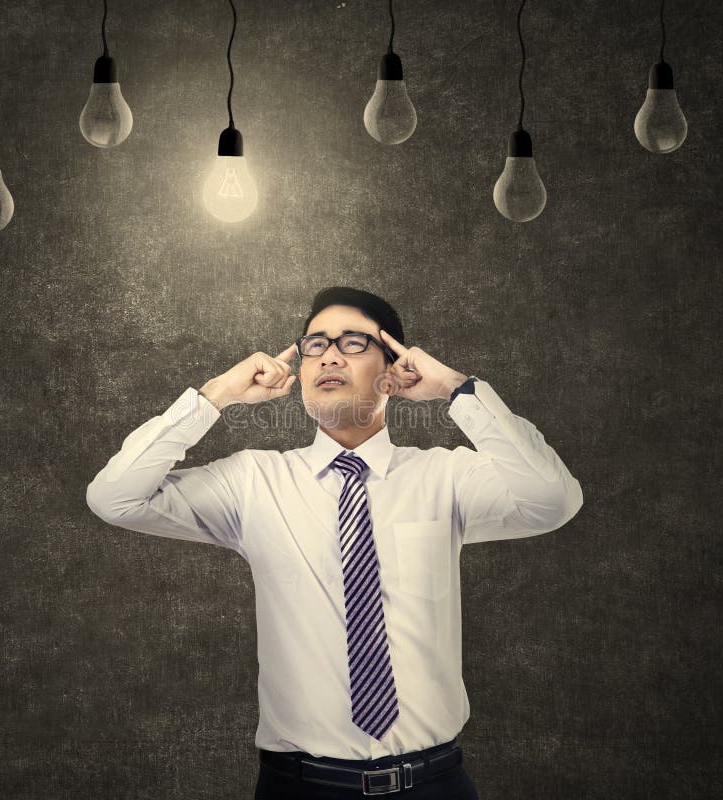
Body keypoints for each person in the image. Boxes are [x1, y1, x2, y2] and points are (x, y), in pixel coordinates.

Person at [86, 286, 583, 798]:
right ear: (300, 370)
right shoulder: (254, 482)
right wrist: (216, 396)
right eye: (315, 344)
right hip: (300, 788)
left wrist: (456, 389)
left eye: (352, 343)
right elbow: (115, 497)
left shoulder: (446, 477)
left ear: (393, 371)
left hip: (434, 785)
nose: (328, 354)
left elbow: (553, 500)